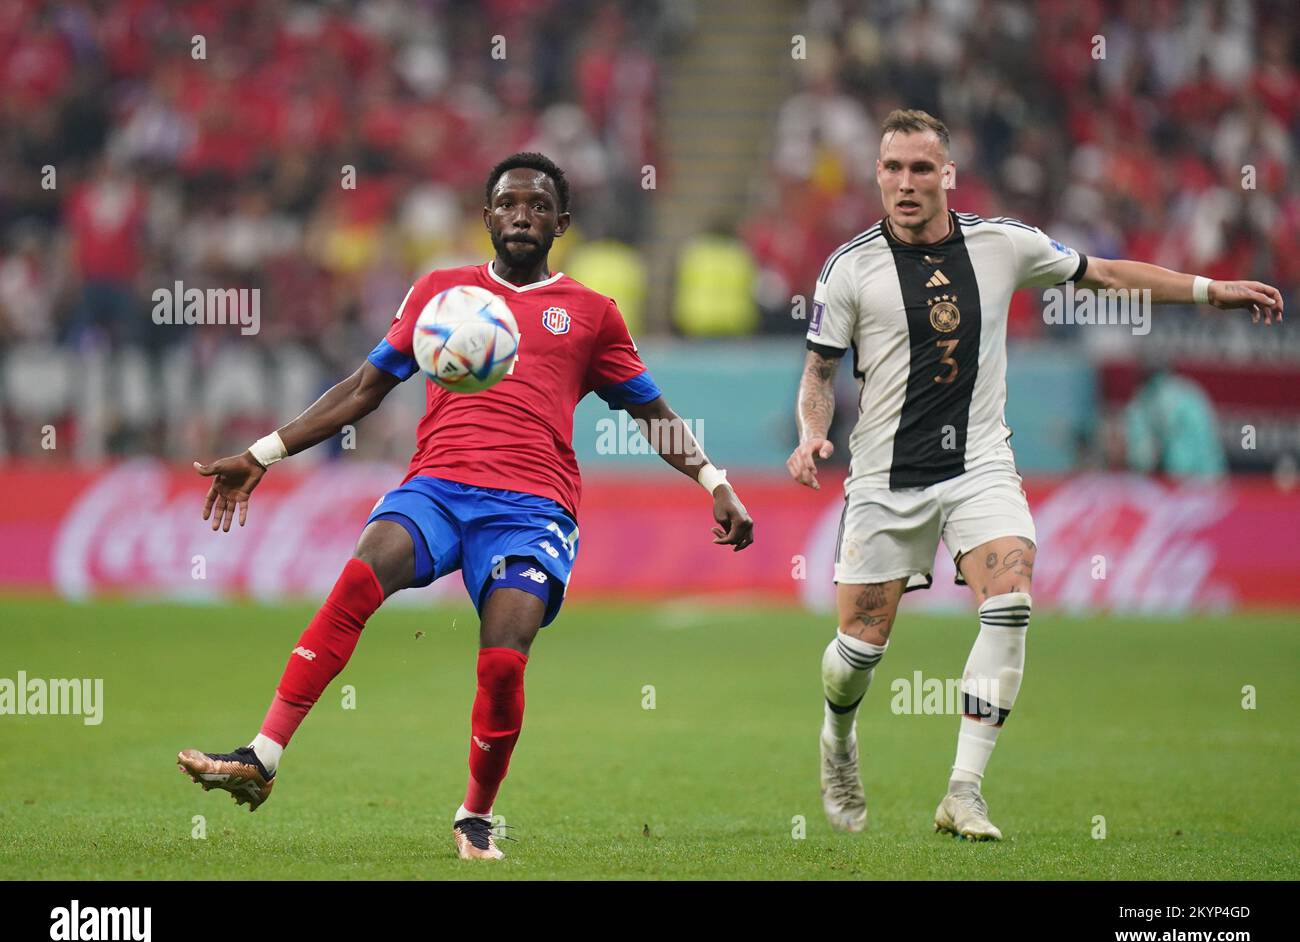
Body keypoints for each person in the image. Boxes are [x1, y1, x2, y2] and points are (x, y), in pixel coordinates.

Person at [179, 152, 754, 860]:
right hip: (437, 490)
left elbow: (652, 414)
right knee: (363, 573)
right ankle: (262, 755)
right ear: (485, 217)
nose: (522, 215)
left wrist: (715, 481)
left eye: (538, 206)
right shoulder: (440, 296)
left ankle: (475, 815)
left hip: (532, 508)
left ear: (561, 223)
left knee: (504, 661)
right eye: (508, 203)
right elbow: (362, 389)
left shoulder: (592, 314)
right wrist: (262, 453)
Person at [787, 109, 1282, 841]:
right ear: (878, 176)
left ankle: (963, 790)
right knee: (859, 649)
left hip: (980, 464)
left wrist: (1212, 290)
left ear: (948, 175)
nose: (905, 183)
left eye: (922, 169)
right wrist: (809, 435)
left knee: (1010, 600)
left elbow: (1107, 274)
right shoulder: (849, 266)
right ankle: (837, 738)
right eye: (892, 169)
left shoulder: (1001, 245)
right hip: (886, 478)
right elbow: (819, 372)